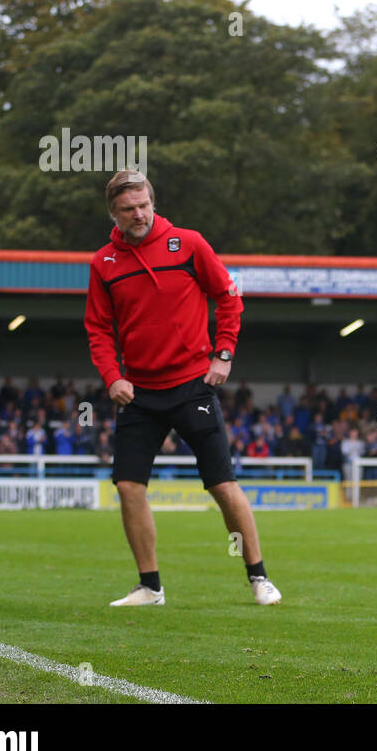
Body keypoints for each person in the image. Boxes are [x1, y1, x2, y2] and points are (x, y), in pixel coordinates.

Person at [84, 170, 281, 606]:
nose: (137, 214)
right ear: (113, 213)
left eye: (143, 205)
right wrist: (111, 376)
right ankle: (150, 587)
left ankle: (259, 577)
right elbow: (97, 328)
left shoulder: (189, 243)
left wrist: (224, 353)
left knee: (222, 484)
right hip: (139, 393)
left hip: (193, 386)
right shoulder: (104, 263)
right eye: (127, 209)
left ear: (152, 202)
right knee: (128, 485)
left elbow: (229, 297)